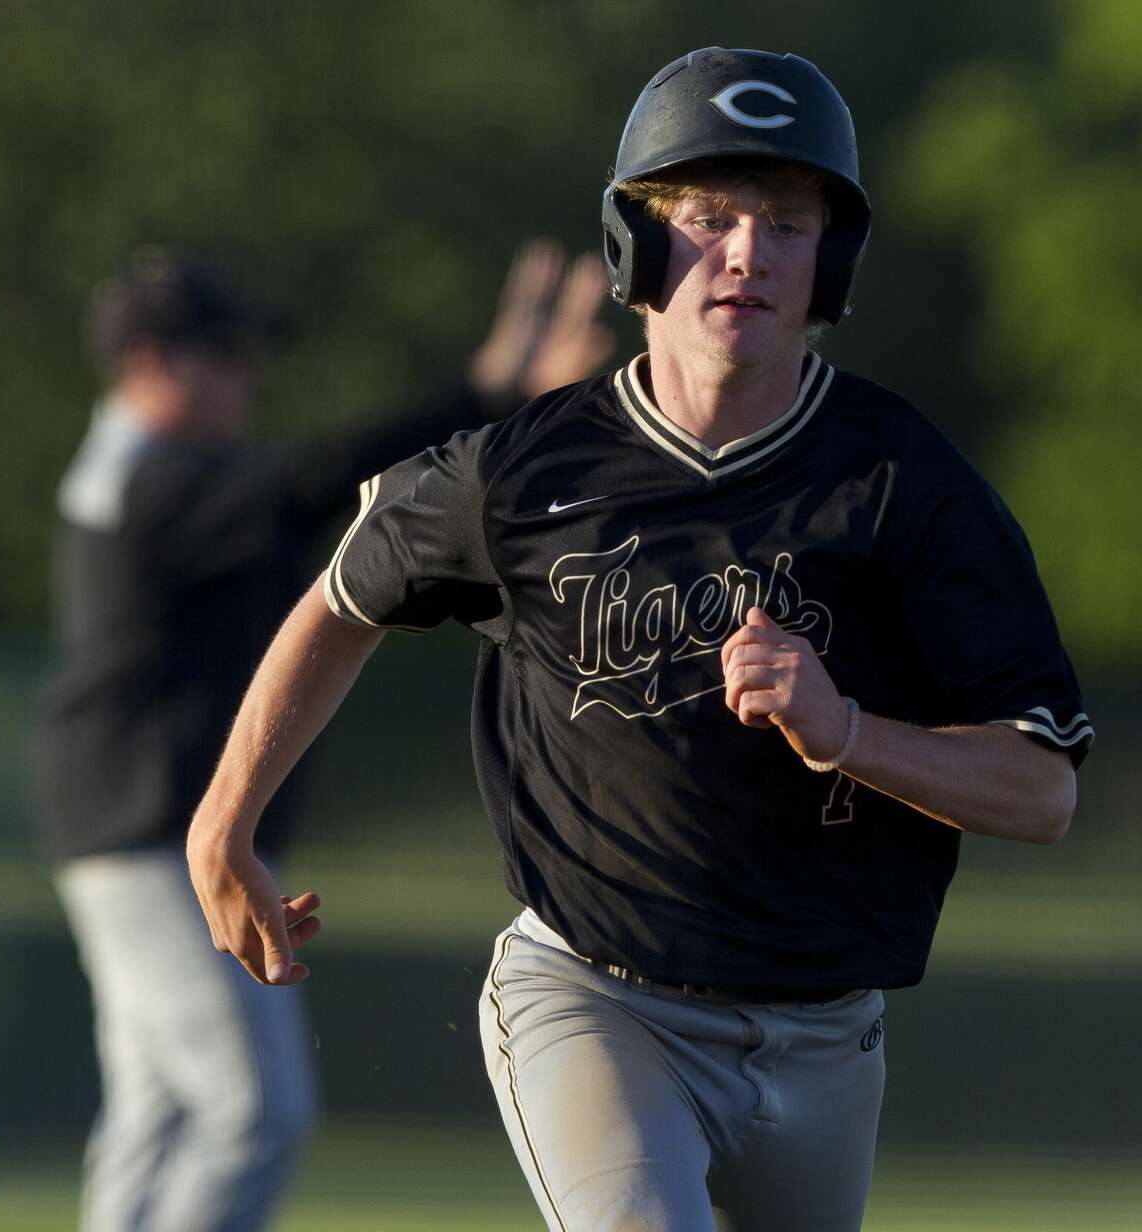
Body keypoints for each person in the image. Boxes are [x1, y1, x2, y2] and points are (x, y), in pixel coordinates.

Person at [186, 47, 1094, 1232]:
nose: (748, 253)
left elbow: (1043, 790)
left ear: (833, 259)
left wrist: (850, 732)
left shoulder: (906, 483)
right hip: (595, 994)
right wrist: (222, 821)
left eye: (787, 220)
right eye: (706, 215)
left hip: (828, 1033)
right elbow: (340, 600)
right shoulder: (521, 468)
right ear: (634, 245)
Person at [33, 239, 611, 1232]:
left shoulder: (140, 479)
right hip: (154, 835)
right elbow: (322, 479)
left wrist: (493, 398)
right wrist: (483, 388)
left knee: (161, 1108)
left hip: (122, 832)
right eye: (224, 351)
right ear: (149, 361)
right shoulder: (145, 481)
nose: (247, 371)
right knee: (253, 1112)